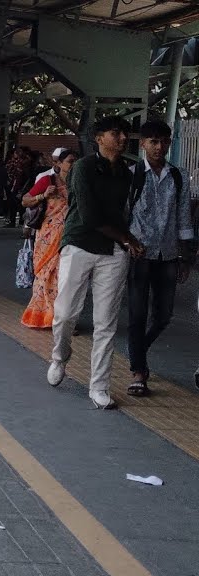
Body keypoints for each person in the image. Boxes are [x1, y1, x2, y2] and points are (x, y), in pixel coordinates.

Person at [47, 116, 145, 410]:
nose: (123, 138)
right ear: (99, 138)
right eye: (116, 133)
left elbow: (128, 211)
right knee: (65, 313)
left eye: (125, 133)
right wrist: (127, 238)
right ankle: (59, 357)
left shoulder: (127, 173)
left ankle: (99, 386)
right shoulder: (83, 167)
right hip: (80, 243)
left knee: (106, 322)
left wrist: (126, 240)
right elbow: (89, 216)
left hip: (113, 251)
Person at [123, 120, 196, 397]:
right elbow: (123, 213)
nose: (159, 147)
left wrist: (185, 256)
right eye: (153, 141)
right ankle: (138, 372)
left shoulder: (178, 176)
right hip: (139, 254)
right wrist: (126, 244)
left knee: (164, 315)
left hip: (168, 254)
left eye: (164, 141)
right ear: (143, 143)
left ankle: (138, 350)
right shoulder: (132, 175)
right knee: (137, 313)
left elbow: (184, 216)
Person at [20, 149, 79, 329]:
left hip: (71, 237)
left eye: (76, 162)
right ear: (59, 164)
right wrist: (43, 195)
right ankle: (45, 316)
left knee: (66, 279)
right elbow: (25, 200)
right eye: (70, 161)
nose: (74, 165)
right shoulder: (48, 180)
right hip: (48, 237)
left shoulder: (79, 183)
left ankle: (62, 318)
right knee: (45, 277)